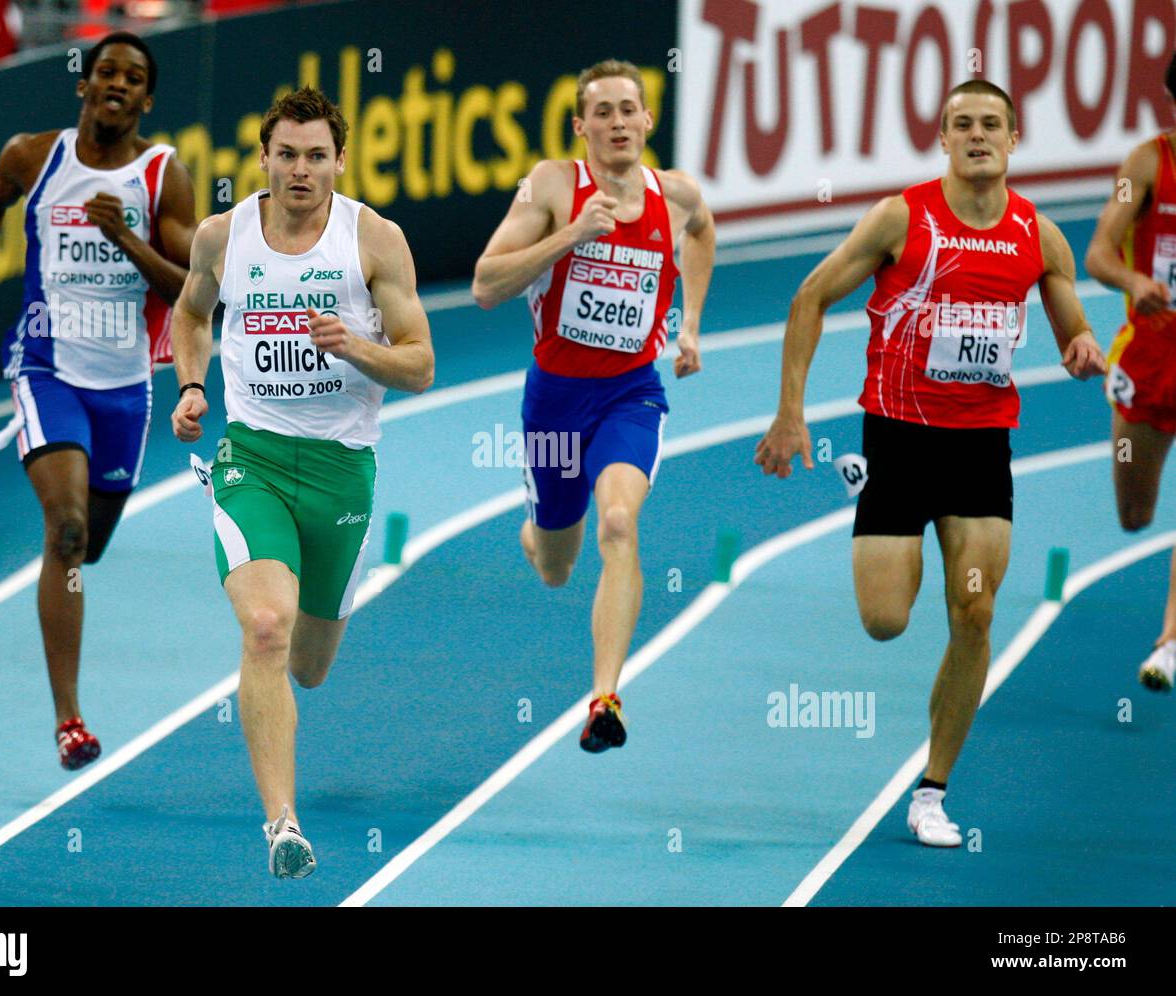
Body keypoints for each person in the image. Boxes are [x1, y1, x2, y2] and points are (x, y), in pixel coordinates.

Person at [755, 80, 1107, 846]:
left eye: (990, 125)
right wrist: (792, 412)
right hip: (897, 438)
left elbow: (1074, 324)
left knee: (974, 611)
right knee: (885, 621)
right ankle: (870, 495)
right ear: (942, 139)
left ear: (1014, 140)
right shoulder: (901, 217)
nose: (976, 135)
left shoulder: (1039, 236)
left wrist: (1082, 348)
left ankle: (931, 792)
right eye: (961, 125)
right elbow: (811, 297)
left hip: (980, 447)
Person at [169, 87, 434, 878]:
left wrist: (359, 349)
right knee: (264, 628)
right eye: (286, 154)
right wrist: (190, 386)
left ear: (340, 162)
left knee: (310, 664)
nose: (301, 170)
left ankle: (290, 684)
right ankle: (282, 823)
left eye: (317, 155)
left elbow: (420, 363)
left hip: (341, 474)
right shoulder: (224, 235)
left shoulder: (374, 241)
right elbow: (190, 314)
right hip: (251, 459)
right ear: (263, 158)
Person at [0, 32, 196, 770]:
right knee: (68, 528)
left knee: (91, 545)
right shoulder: (32, 156)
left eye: (132, 77)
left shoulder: (162, 176)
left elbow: (189, 289)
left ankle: (70, 555)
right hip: (45, 364)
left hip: (125, 383)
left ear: (146, 100)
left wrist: (125, 240)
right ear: (84, 85)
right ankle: (69, 719)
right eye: (105, 69)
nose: (116, 82)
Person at [472, 58, 714, 753]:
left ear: (647, 121)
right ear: (581, 127)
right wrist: (571, 236)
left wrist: (690, 322)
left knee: (617, 522)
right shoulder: (555, 184)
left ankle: (605, 698)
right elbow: (487, 285)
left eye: (626, 109)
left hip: (631, 395)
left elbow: (701, 231)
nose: (615, 122)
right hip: (554, 403)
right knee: (556, 566)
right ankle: (538, 528)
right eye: (600, 112)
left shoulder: (675, 195)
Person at [1084, 50, 1176, 693]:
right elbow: (1095, 251)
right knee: (1135, 516)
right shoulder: (1145, 165)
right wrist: (1133, 277)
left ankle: (1169, 643)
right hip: (1148, 362)